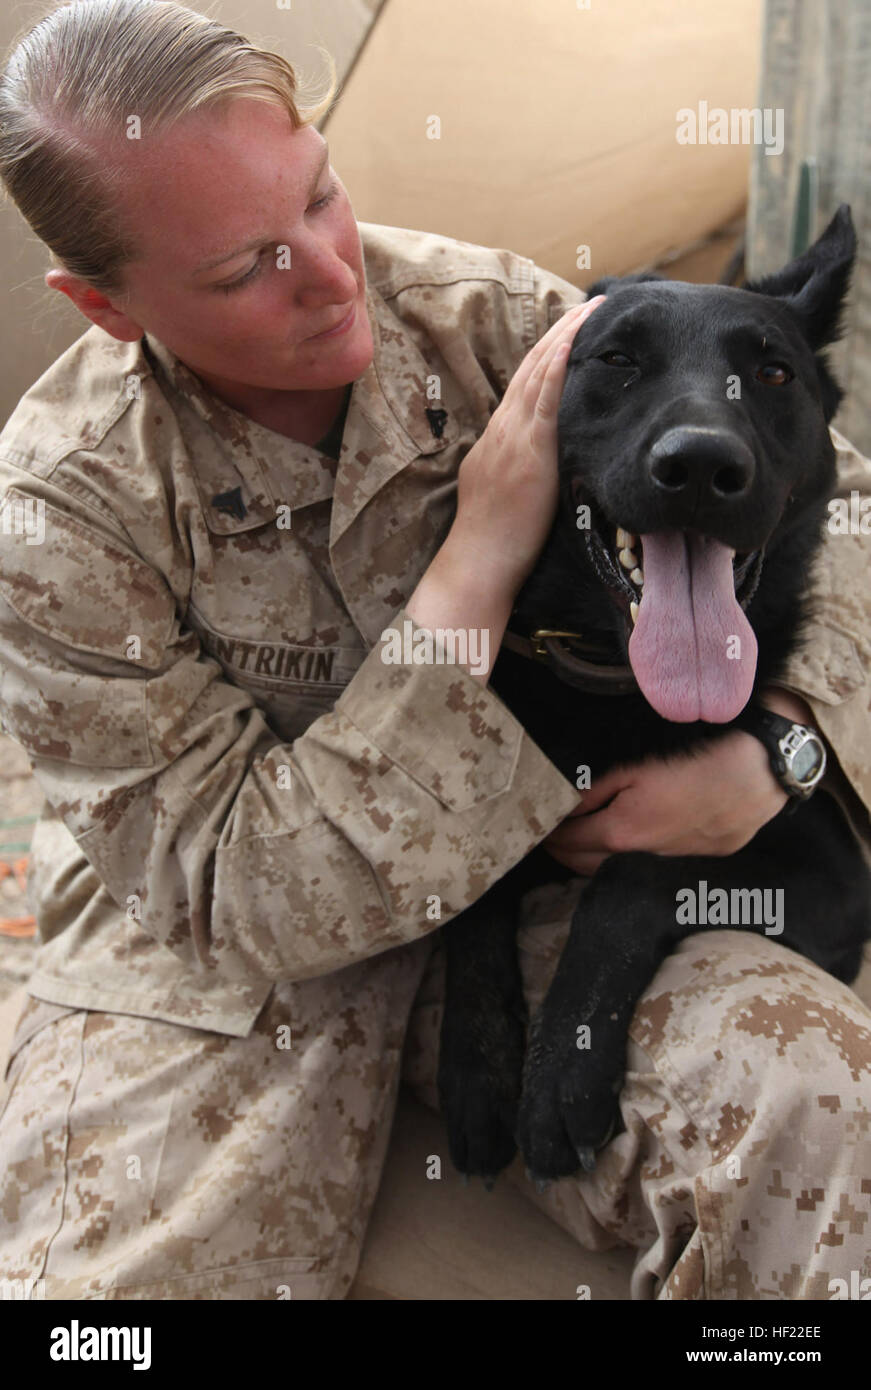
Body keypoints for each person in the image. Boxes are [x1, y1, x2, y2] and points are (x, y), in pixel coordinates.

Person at [0, 0, 868, 1301]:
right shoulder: (59, 512)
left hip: (539, 896)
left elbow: (841, 508)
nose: (335, 272)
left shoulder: (501, 325)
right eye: (247, 267)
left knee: (822, 1109)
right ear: (108, 306)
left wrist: (783, 743)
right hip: (216, 974)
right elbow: (235, 896)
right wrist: (470, 571)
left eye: (323, 197)